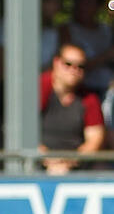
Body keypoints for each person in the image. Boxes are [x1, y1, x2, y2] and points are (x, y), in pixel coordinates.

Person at [40, 42, 105, 175]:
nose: (74, 70)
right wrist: (49, 161)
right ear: (56, 62)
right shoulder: (39, 87)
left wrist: (68, 163)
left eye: (80, 66)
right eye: (68, 64)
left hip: (77, 169)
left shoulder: (89, 98)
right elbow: (24, 135)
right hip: (37, 166)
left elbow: (94, 140)